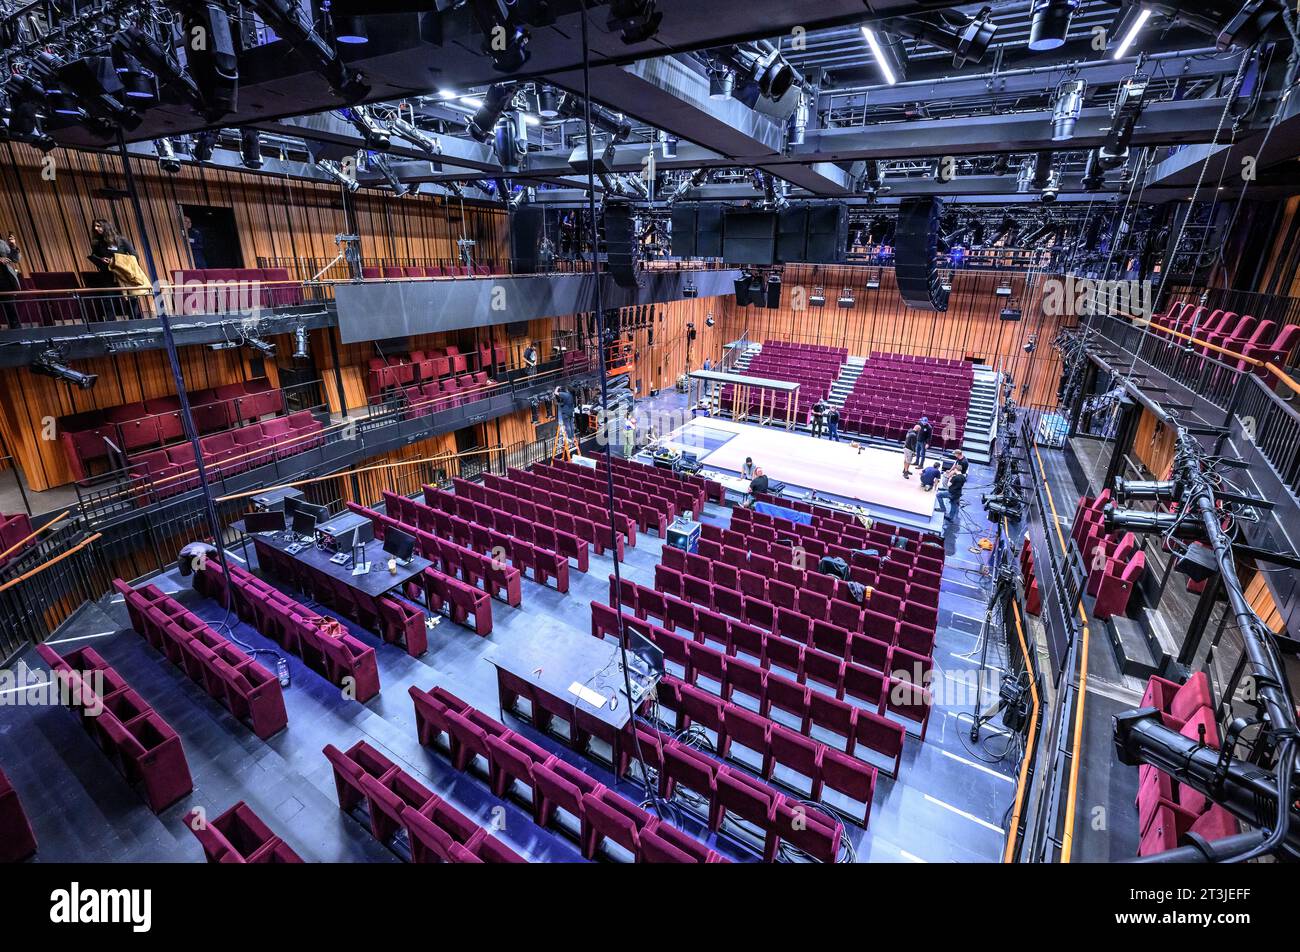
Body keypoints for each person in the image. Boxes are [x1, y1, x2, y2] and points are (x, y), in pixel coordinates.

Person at [89, 219, 145, 319]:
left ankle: (135, 320)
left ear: (106, 226)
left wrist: (118, 261)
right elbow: (94, 255)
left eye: (98, 226)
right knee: (108, 297)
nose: (96, 228)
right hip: (107, 274)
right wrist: (101, 259)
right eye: (95, 226)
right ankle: (112, 323)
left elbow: (134, 255)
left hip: (123, 272)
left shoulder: (121, 240)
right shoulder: (97, 243)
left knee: (131, 296)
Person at [0, 231, 21, 329]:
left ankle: (18, 335)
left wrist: (13, 246)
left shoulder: (1, 243)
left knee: (11, 309)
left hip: (5, 280)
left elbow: (15, 259)